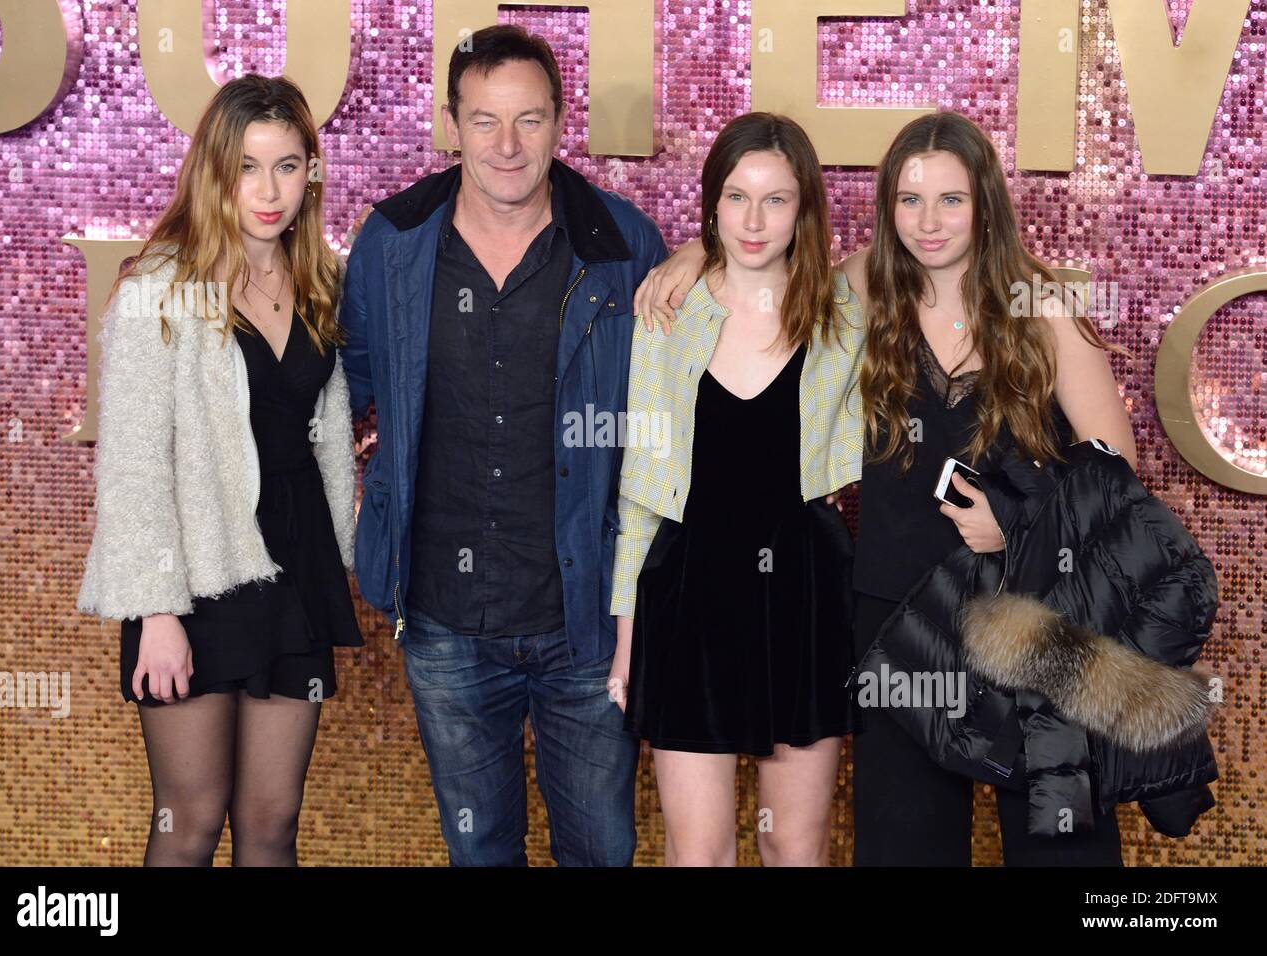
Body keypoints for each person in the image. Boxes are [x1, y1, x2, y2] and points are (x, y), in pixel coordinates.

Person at [631, 110, 1136, 864]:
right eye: (909, 200)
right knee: (906, 850)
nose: (928, 222)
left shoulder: (1042, 307)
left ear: (987, 203)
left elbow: (1117, 474)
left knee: (1063, 852)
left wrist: (1020, 522)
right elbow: (762, 253)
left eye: (951, 200)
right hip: (897, 624)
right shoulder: (863, 293)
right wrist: (692, 249)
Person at [339, 25, 668, 866]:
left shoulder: (626, 250)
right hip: (446, 624)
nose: (508, 144)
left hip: (586, 623)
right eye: (484, 120)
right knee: (480, 857)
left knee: (598, 852)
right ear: (451, 124)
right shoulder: (392, 244)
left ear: (561, 122)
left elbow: (677, 421)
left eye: (529, 119)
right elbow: (339, 390)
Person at [77, 75, 362, 866]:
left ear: (312, 172)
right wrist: (156, 613)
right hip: (192, 583)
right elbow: (133, 464)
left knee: (272, 824)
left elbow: (328, 433)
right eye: (247, 166)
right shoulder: (159, 291)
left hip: (295, 577)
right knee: (191, 819)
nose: (268, 191)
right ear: (213, 171)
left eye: (287, 165)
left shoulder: (321, 282)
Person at [609, 112, 864, 866]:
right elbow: (640, 495)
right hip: (688, 597)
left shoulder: (843, 315)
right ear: (710, 204)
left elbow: (931, 244)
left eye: (777, 200)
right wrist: (628, 647)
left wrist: (695, 247)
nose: (753, 221)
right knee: (701, 855)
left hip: (806, 597)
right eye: (735, 198)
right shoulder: (666, 312)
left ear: (806, 208)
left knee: (795, 848)